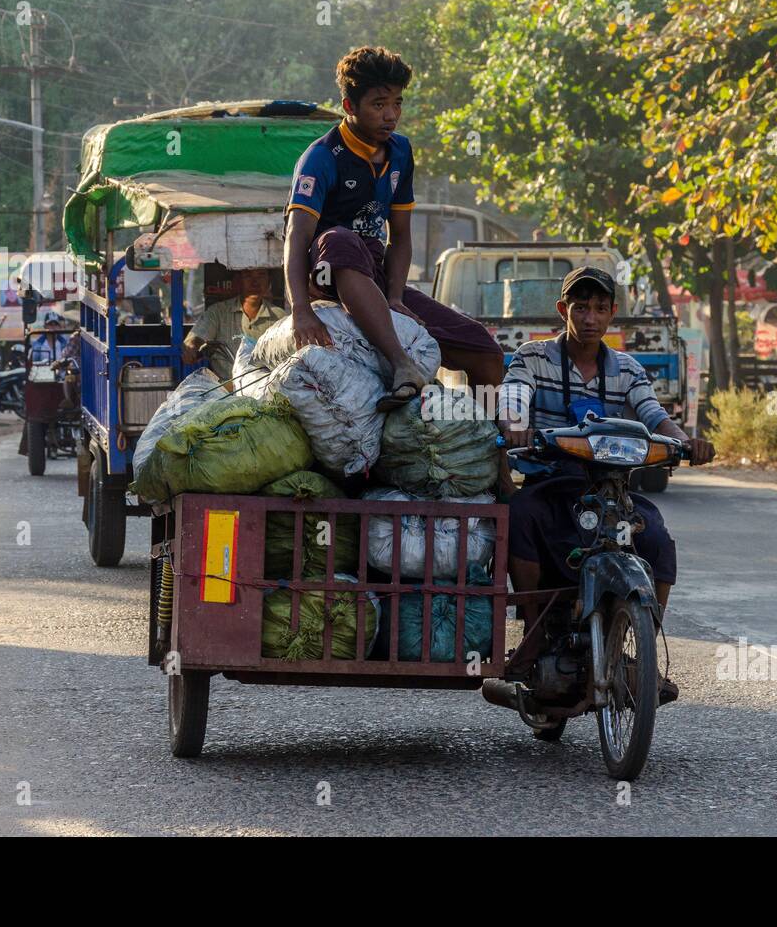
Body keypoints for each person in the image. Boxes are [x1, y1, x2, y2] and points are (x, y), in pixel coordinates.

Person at [497, 267, 715, 674]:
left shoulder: (628, 369)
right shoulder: (533, 356)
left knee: (659, 542)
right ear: (564, 310)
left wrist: (683, 442)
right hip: (551, 485)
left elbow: (653, 415)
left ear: (612, 313)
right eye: (581, 308)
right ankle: (534, 634)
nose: (590, 318)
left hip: (610, 492)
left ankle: (642, 650)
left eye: (600, 308)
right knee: (519, 517)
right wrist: (514, 428)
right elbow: (513, 398)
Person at [284, 45, 508, 415]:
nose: (391, 115)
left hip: (375, 271)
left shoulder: (401, 152)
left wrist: (395, 296)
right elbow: (296, 239)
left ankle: (498, 458)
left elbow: (400, 236)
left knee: (484, 349)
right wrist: (300, 310)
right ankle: (401, 363)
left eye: (398, 104)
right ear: (349, 106)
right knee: (341, 240)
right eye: (379, 104)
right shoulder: (321, 158)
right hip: (327, 271)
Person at [182, 267, 286, 381]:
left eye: (261, 275)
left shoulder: (279, 317)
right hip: (225, 389)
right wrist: (192, 347)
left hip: (264, 388)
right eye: (248, 276)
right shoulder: (218, 312)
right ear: (238, 281)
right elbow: (197, 337)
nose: (255, 282)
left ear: (269, 281)